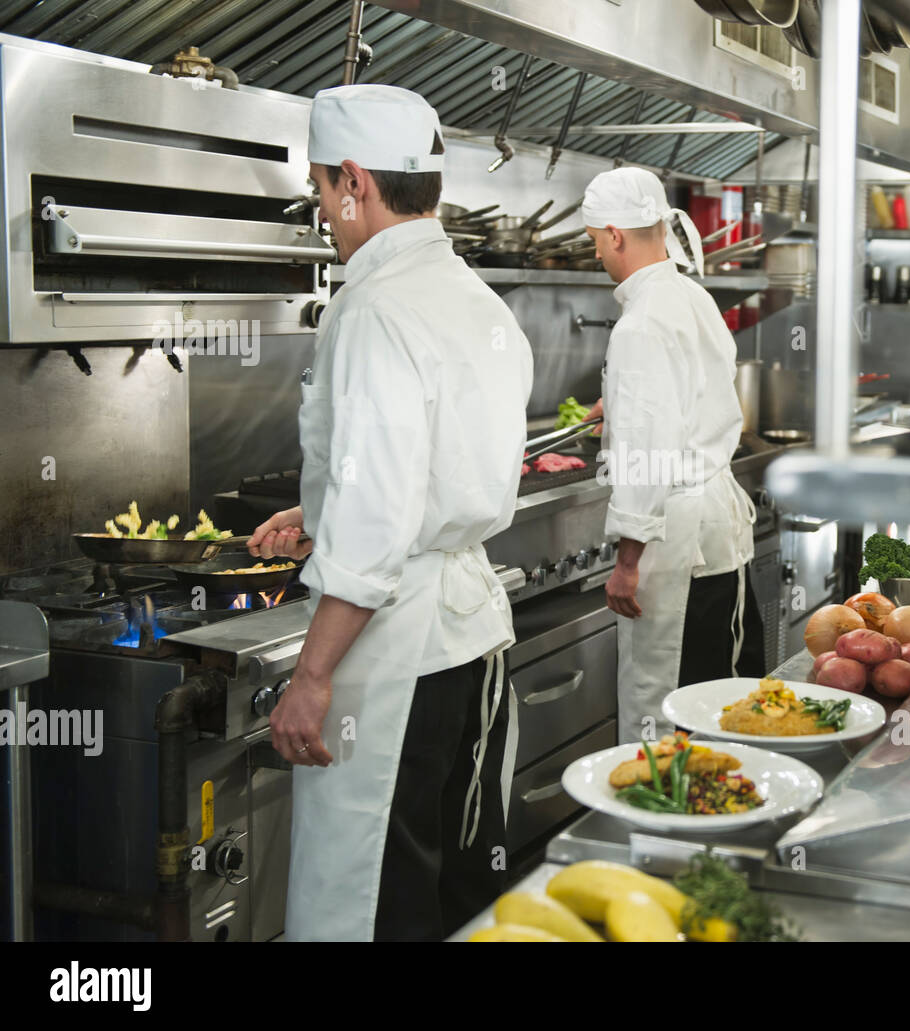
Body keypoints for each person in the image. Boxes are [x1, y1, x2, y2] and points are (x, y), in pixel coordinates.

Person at [246, 84, 533, 941]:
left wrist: (309, 677)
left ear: (354, 181)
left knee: (373, 904)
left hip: (398, 655)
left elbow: (377, 526)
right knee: (454, 900)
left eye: (322, 188)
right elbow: (422, 467)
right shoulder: (472, 297)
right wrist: (323, 503)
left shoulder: (373, 308)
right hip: (472, 638)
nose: (325, 211)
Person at [581, 167, 763, 744]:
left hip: (678, 542)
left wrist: (628, 559)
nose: (598, 255)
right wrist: (619, 403)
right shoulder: (691, 295)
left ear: (614, 235)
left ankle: (671, 830)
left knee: (671, 713)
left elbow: (647, 452)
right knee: (724, 700)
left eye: (593, 242)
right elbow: (693, 395)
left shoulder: (639, 323)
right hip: (715, 536)